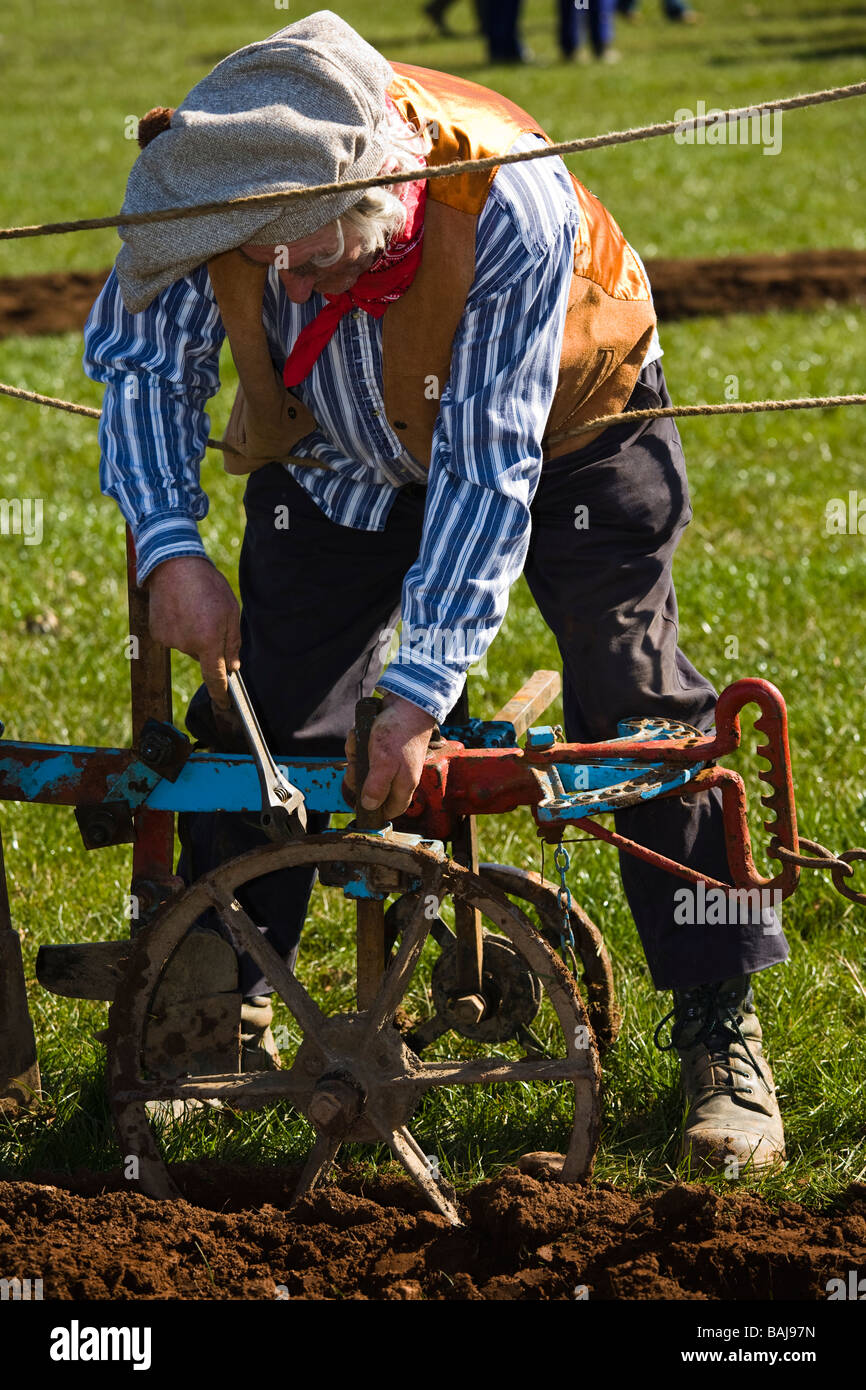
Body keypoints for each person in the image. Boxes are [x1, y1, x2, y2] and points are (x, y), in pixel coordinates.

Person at [83, 12, 787, 1175]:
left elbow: (485, 463)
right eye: (266, 269)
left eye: (311, 264)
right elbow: (147, 361)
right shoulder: (213, 174)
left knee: (633, 700)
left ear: (384, 206)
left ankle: (720, 1031)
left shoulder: (504, 201)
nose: (285, 288)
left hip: (567, 431)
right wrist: (172, 548)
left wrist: (416, 693)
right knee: (266, 701)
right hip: (335, 451)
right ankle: (219, 1010)